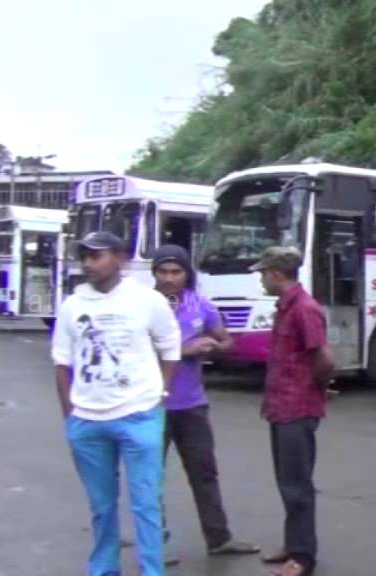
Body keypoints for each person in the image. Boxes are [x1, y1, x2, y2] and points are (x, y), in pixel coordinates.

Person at [51, 231, 181, 576]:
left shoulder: (147, 300)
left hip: (139, 415)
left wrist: (161, 395)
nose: (88, 264)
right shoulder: (72, 305)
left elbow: (170, 347)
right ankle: (104, 569)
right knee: (101, 506)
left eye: (97, 256)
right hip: (87, 421)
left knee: (146, 504)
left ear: (120, 259)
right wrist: (71, 416)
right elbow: (62, 363)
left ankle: (152, 570)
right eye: (84, 257)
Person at [150, 244, 259, 565]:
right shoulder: (143, 306)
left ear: (187, 274)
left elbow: (227, 339)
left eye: (176, 272)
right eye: (162, 271)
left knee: (204, 473)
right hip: (151, 406)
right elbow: (133, 350)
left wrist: (215, 345)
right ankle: (154, 544)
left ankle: (219, 538)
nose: (169, 278)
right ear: (154, 274)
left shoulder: (200, 305)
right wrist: (185, 350)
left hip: (192, 405)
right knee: (150, 478)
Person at [250, 246, 334, 576]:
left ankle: (302, 557)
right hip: (281, 407)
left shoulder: (304, 309)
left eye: (262, 273)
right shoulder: (287, 307)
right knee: (287, 482)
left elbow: (324, 358)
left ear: (276, 274)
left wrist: (315, 388)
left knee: (297, 486)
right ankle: (293, 544)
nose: (261, 279)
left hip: (297, 409)